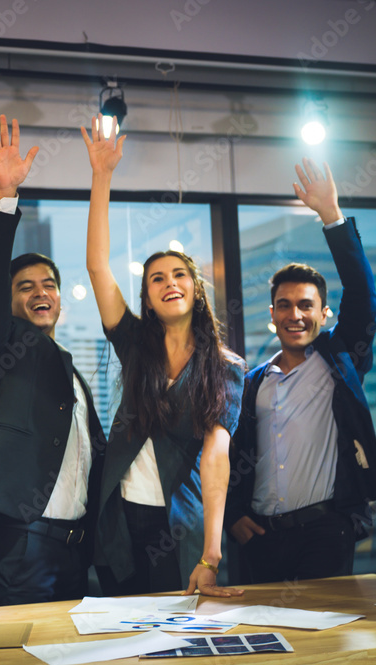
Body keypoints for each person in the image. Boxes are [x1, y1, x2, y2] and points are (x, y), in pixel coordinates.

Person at [82, 115, 245, 597]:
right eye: (156, 278)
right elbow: (96, 265)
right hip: (118, 517)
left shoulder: (226, 368)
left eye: (179, 275)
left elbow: (217, 457)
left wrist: (211, 555)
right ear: (147, 299)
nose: (169, 282)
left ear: (195, 291)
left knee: (179, 637)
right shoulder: (134, 344)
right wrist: (102, 176)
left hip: (180, 523)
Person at [0, 115, 108, 606]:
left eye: (49, 285)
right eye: (25, 287)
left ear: (62, 300)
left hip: (75, 547)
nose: (40, 292)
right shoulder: (3, 347)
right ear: (9, 303)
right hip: (22, 541)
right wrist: (4, 198)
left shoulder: (69, 367)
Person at [223, 157, 376, 585]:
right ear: (272, 316)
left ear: (324, 313)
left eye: (306, 305)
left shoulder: (340, 361)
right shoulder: (252, 381)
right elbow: (230, 458)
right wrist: (232, 516)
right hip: (259, 539)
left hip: (325, 534)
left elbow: (365, 297)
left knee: (321, 644)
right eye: (285, 305)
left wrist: (330, 215)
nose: (295, 314)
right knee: (266, 644)